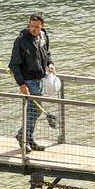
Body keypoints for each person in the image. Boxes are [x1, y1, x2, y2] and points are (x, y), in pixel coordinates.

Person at [8, 12, 56, 152]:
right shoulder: (21, 41)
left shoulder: (43, 37)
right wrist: (21, 84)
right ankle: (23, 136)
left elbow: (46, 53)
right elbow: (14, 64)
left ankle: (28, 138)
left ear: (42, 26)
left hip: (40, 79)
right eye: (31, 26)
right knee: (36, 109)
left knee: (32, 111)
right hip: (28, 79)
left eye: (36, 26)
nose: (33, 29)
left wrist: (50, 63)